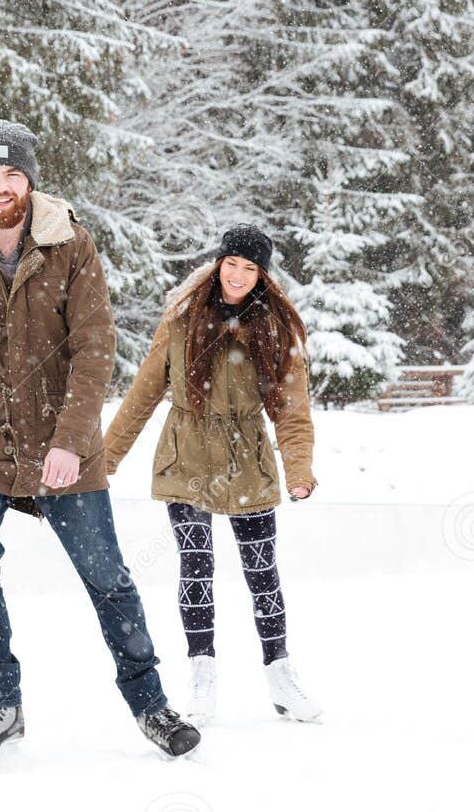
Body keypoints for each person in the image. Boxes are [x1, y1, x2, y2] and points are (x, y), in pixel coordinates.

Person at [0, 118, 202, 758]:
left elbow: (95, 349)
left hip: (61, 438)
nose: (1, 185)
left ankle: (151, 704)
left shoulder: (71, 244)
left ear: (30, 180)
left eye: (12, 174)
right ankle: (0, 703)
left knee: (107, 576)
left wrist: (70, 441)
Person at [102, 223, 323, 725]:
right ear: (218, 263)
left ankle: (281, 676)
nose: (239, 275)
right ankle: (203, 676)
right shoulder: (182, 320)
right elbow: (143, 394)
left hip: (248, 461)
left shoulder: (275, 328)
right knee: (196, 562)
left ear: (262, 274)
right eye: (232, 264)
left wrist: (299, 469)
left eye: (251, 268)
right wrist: (105, 459)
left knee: (261, 570)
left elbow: (291, 408)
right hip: (188, 458)